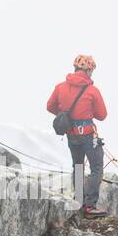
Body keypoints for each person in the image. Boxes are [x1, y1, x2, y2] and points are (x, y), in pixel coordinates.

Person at [47, 54, 108, 216]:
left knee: (78, 166)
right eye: (91, 71)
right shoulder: (92, 91)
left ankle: (79, 201)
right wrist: (87, 111)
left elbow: (50, 106)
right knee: (96, 168)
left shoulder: (60, 87)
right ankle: (90, 206)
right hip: (87, 134)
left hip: (71, 134)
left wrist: (65, 115)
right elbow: (102, 115)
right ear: (88, 70)